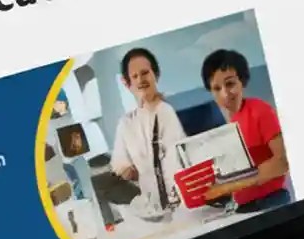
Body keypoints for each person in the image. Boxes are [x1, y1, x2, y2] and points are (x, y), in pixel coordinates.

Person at [200, 48, 291, 214]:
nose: (225, 94)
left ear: (242, 81)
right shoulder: (228, 124)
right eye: (216, 88)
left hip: (271, 202)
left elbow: (282, 162)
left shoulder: (260, 111)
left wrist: (230, 186)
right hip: (244, 207)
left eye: (230, 84)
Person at [110, 47, 186, 216]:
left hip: (182, 202)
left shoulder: (169, 111)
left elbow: (179, 162)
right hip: (152, 210)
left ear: (155, 75)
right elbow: (119, 164)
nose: (141, 80)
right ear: (127, 83)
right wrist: (126, 171)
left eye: (145, 73)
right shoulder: (126, 124)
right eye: (134, 76)